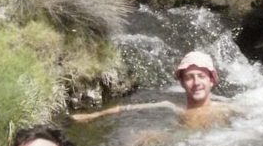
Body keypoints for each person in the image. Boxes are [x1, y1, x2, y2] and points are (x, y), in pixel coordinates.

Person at [71, 51, 235, 131]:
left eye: (201, 76)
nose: (196, 82)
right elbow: (124, 109)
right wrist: (91, 116)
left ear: (211, 81)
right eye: (190, 77)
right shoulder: (171, 107)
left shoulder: (225, 108)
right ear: (182, 83)